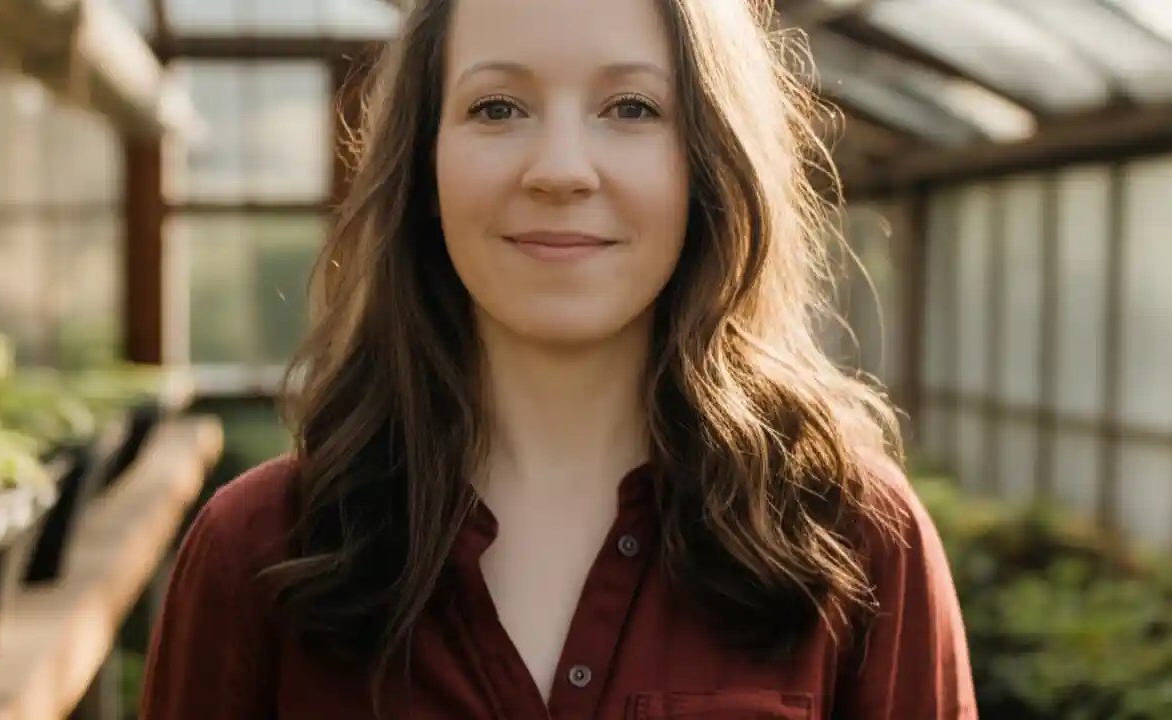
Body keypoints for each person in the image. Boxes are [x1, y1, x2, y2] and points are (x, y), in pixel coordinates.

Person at [140, 0, 976, 717]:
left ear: (712, 162)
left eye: (633, 108)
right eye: (498, 108)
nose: (562, 170)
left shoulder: (857, 540)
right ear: (423, 165)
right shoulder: (256, 548)